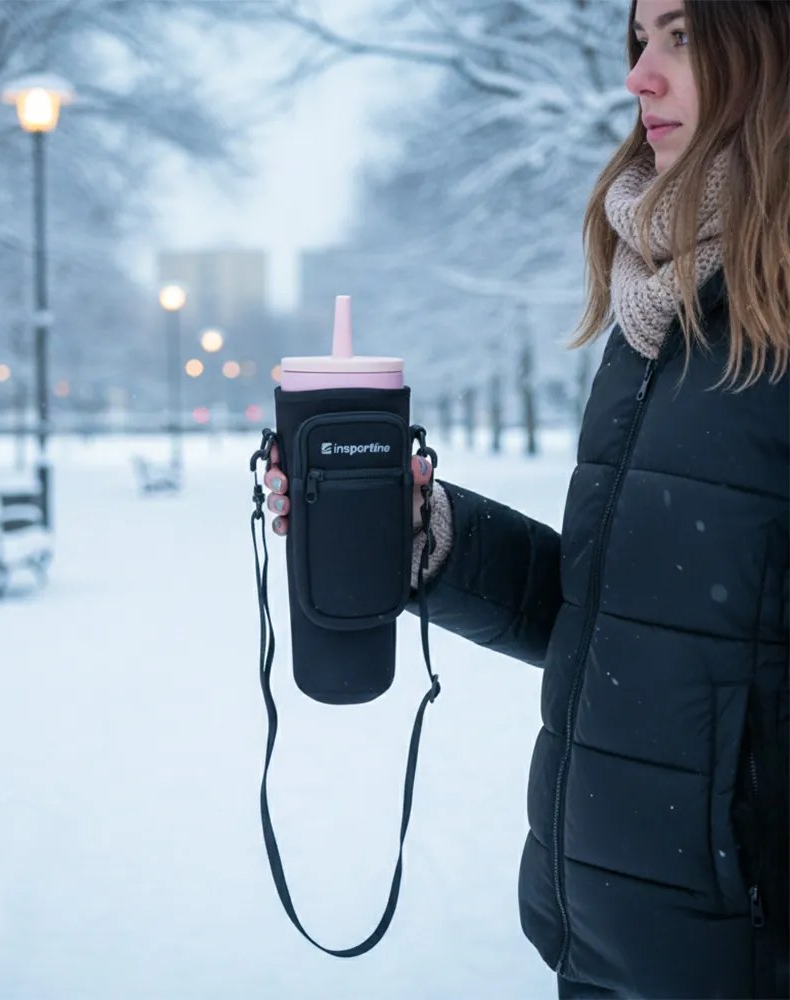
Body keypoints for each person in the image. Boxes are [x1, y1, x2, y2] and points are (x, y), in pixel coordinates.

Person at [262, 1, 789, 996]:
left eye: (680, 35)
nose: (637, 75)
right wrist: (429, 541)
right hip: (606, 932)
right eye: (638, 39)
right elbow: (626, 622)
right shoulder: (658, 311)